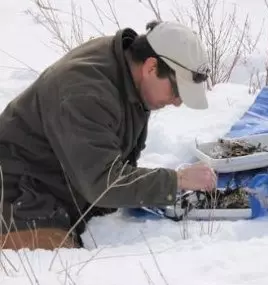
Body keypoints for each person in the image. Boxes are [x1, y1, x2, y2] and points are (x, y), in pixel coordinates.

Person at [0, 20, 217, 250]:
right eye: (177, 91)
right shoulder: (86, 92)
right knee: (64, 265)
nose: (177, 102)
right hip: (16, 192)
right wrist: (176, 181)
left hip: (60, 183)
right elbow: (102, 183)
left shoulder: (129, 72)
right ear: (151, 67)